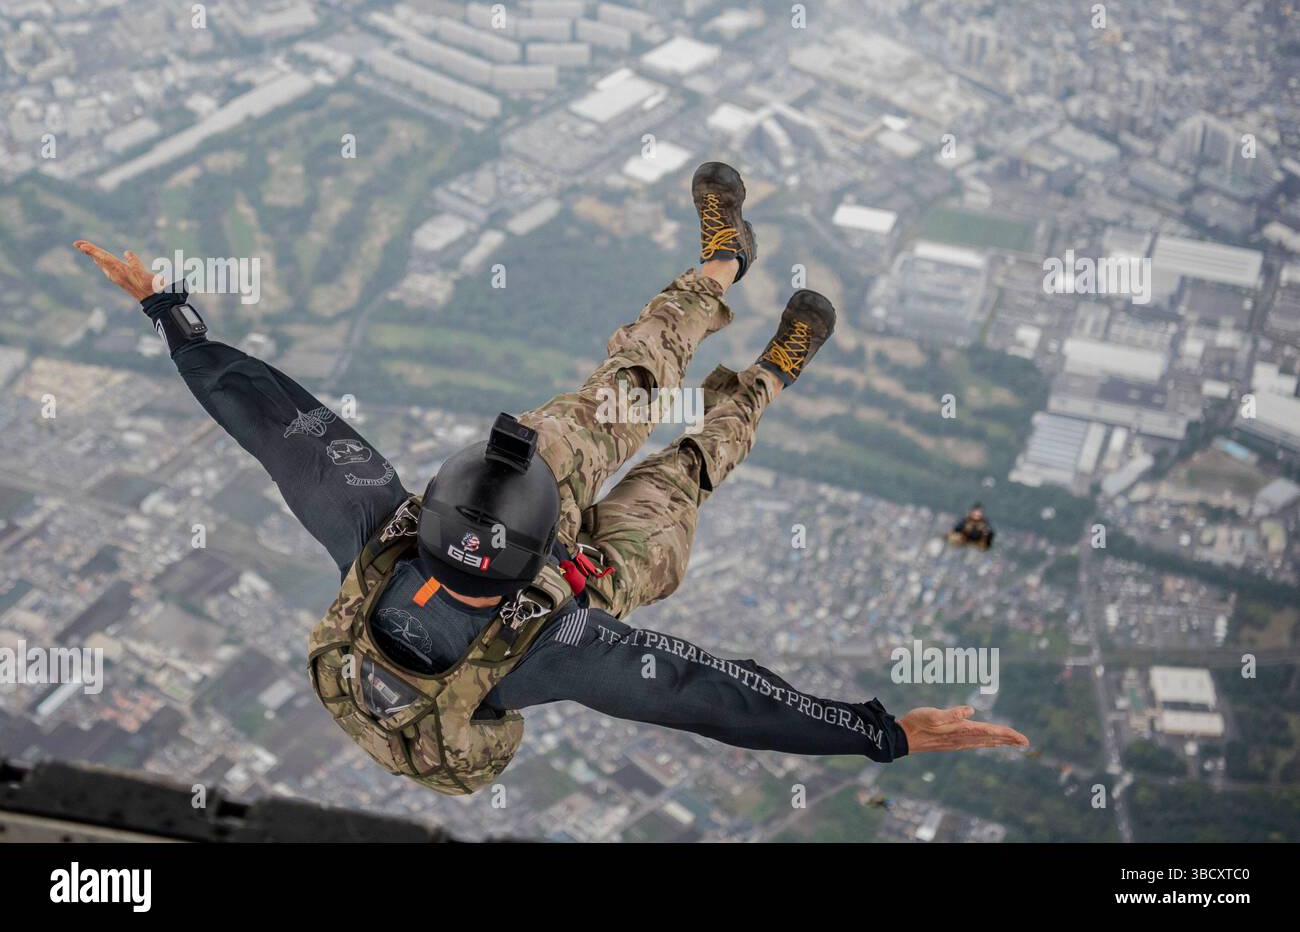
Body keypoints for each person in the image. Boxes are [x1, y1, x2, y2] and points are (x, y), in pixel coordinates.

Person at [75, 161, 1026, 795]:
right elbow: (712, 695)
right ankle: (769, 377)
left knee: (628, 393)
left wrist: (170, 314)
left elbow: (278, 422)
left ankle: (722, 265)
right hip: (565, 597)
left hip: (518, 547)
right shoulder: (559, 645)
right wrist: (877, 732)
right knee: (677, 480)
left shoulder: (376, 525)